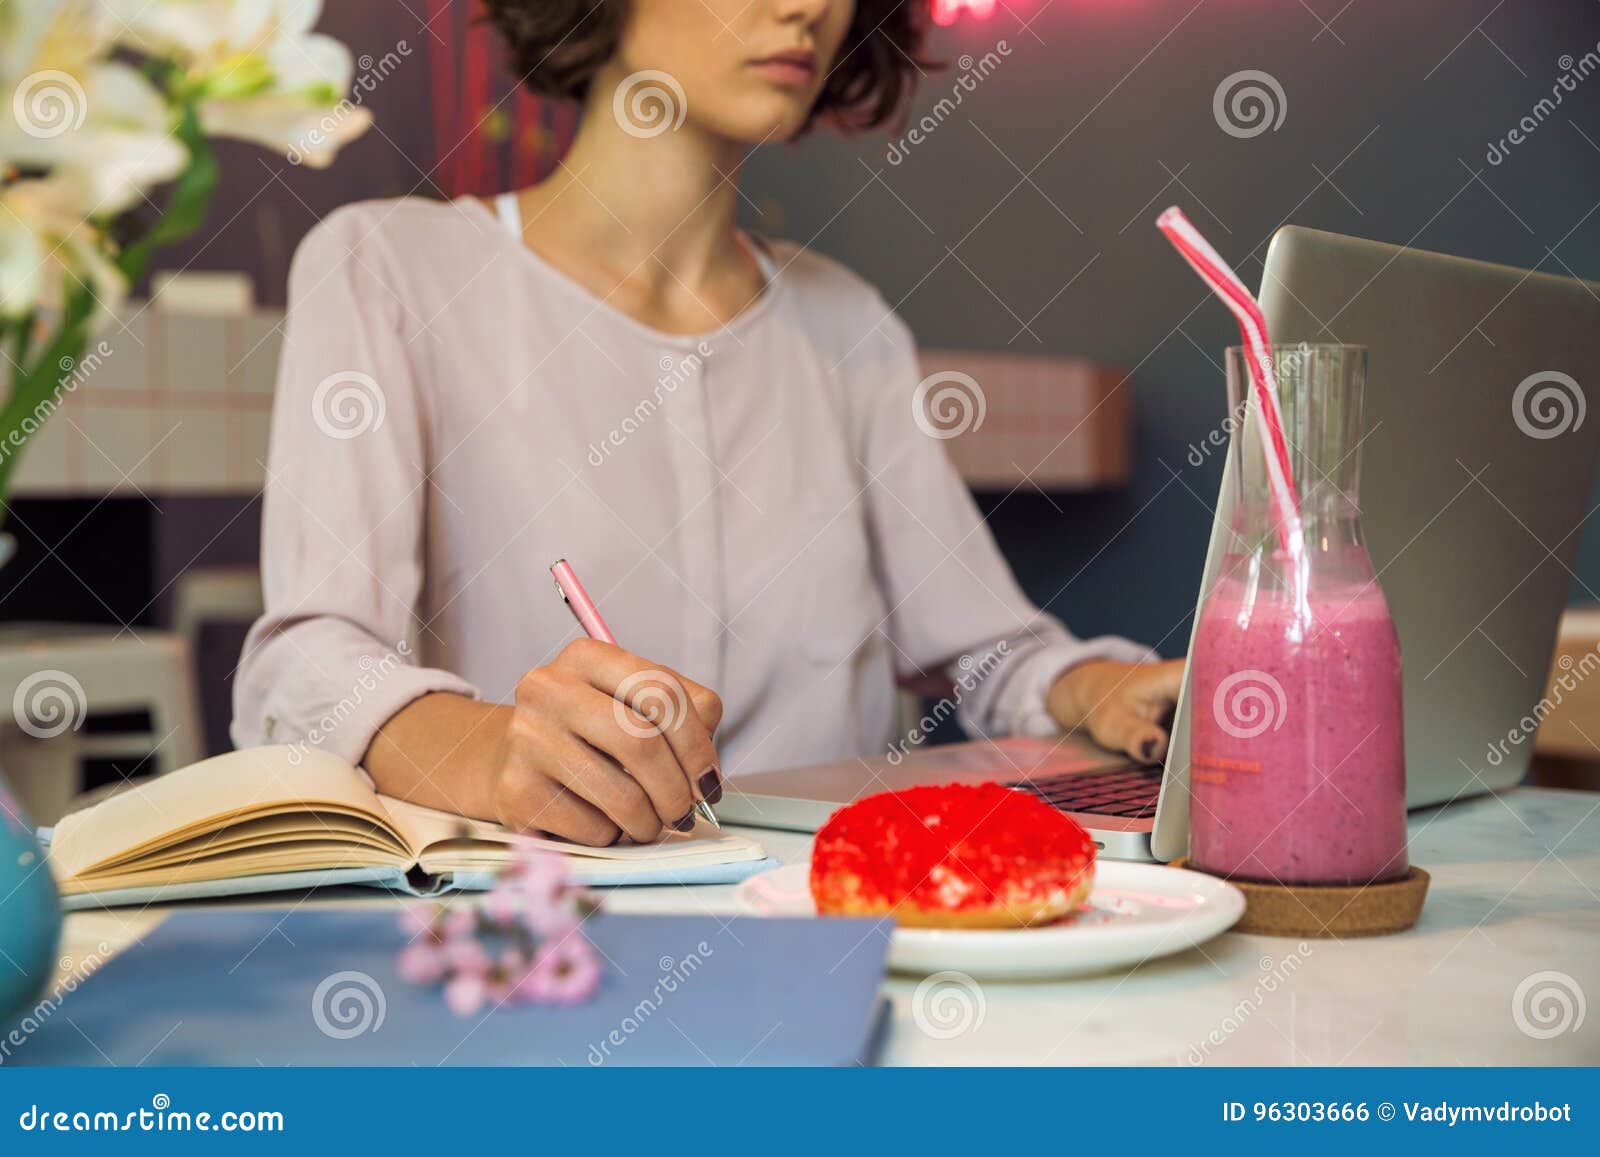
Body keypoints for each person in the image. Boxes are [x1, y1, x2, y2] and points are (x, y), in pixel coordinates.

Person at [233, 0, 1184, 847]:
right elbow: (303, 667)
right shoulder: (390, 270)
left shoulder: (847, 326)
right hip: (546, 933)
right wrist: (489, 751)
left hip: (835, 922)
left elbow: (986, 647)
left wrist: (1091, 688)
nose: (807, 8)